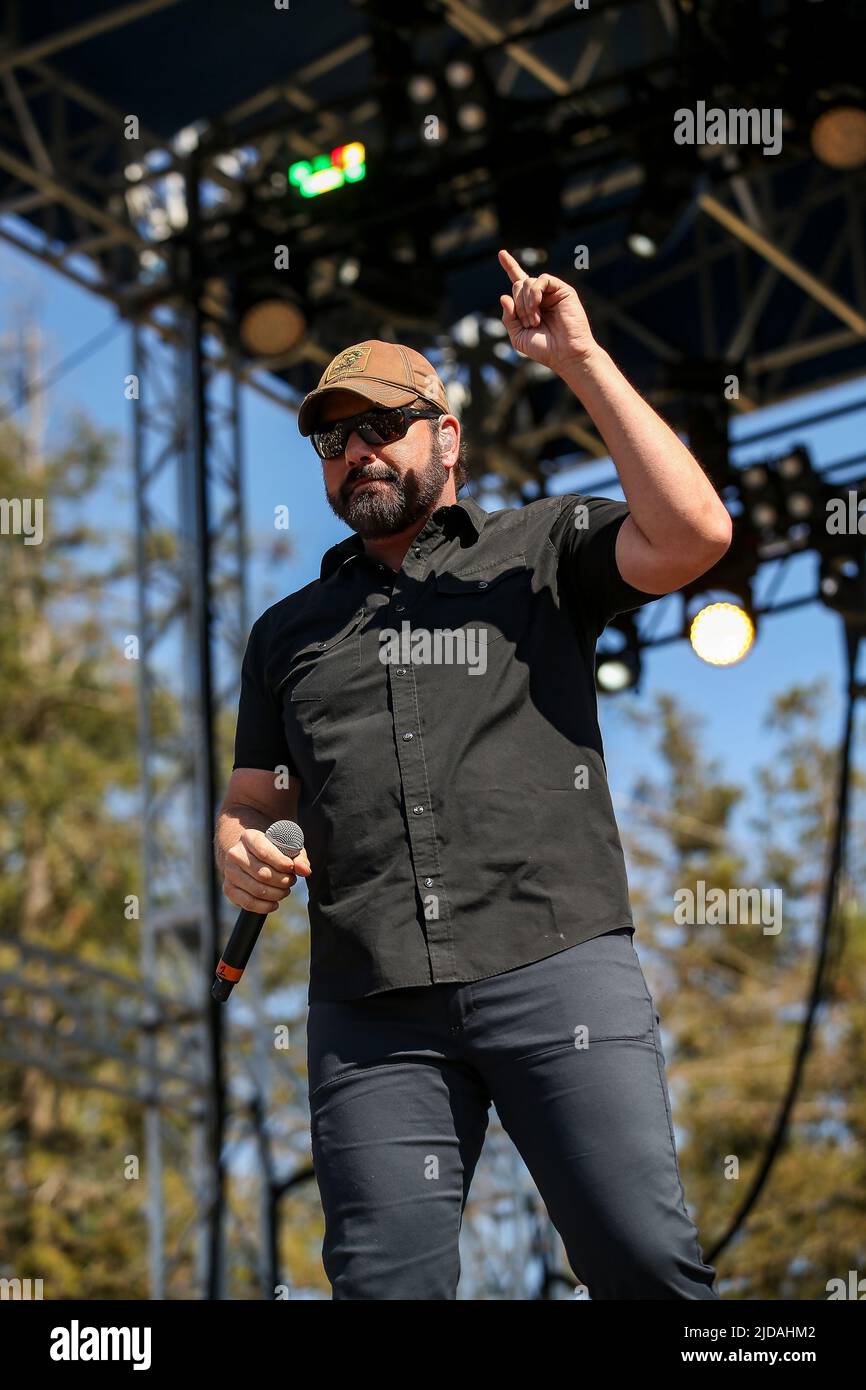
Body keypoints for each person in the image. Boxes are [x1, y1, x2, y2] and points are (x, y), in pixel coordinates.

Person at [214, 250, 731, 1300]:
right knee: (382, 1289)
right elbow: (252, 800)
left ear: (445, 438)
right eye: (331, 437)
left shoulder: (537, 546)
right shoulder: (285, 634)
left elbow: (694, 535)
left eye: (378, 426)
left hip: (553, 962)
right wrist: (232, 843)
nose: (353, 451)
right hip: (371, 1010)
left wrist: (579, 362)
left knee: (642, 1264)